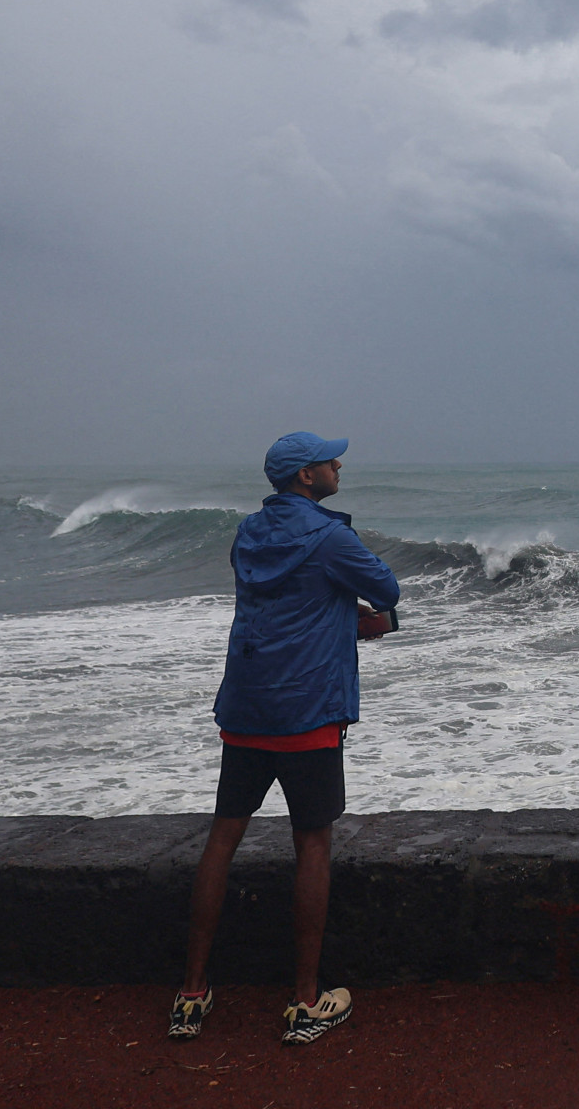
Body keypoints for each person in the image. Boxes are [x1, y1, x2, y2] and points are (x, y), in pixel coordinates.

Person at [168, 432, 401, 1048]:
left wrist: (332, 615)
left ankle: (192, 991)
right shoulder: (330, 537)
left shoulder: (249, 533)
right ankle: (304, 1000)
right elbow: (387, 591)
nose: (338, 464)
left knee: (222, 840)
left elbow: (284, 602)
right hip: (309, 712)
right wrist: (349, 617)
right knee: (312, 846)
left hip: (247, 707)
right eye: (328, 460)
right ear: (306, 476)